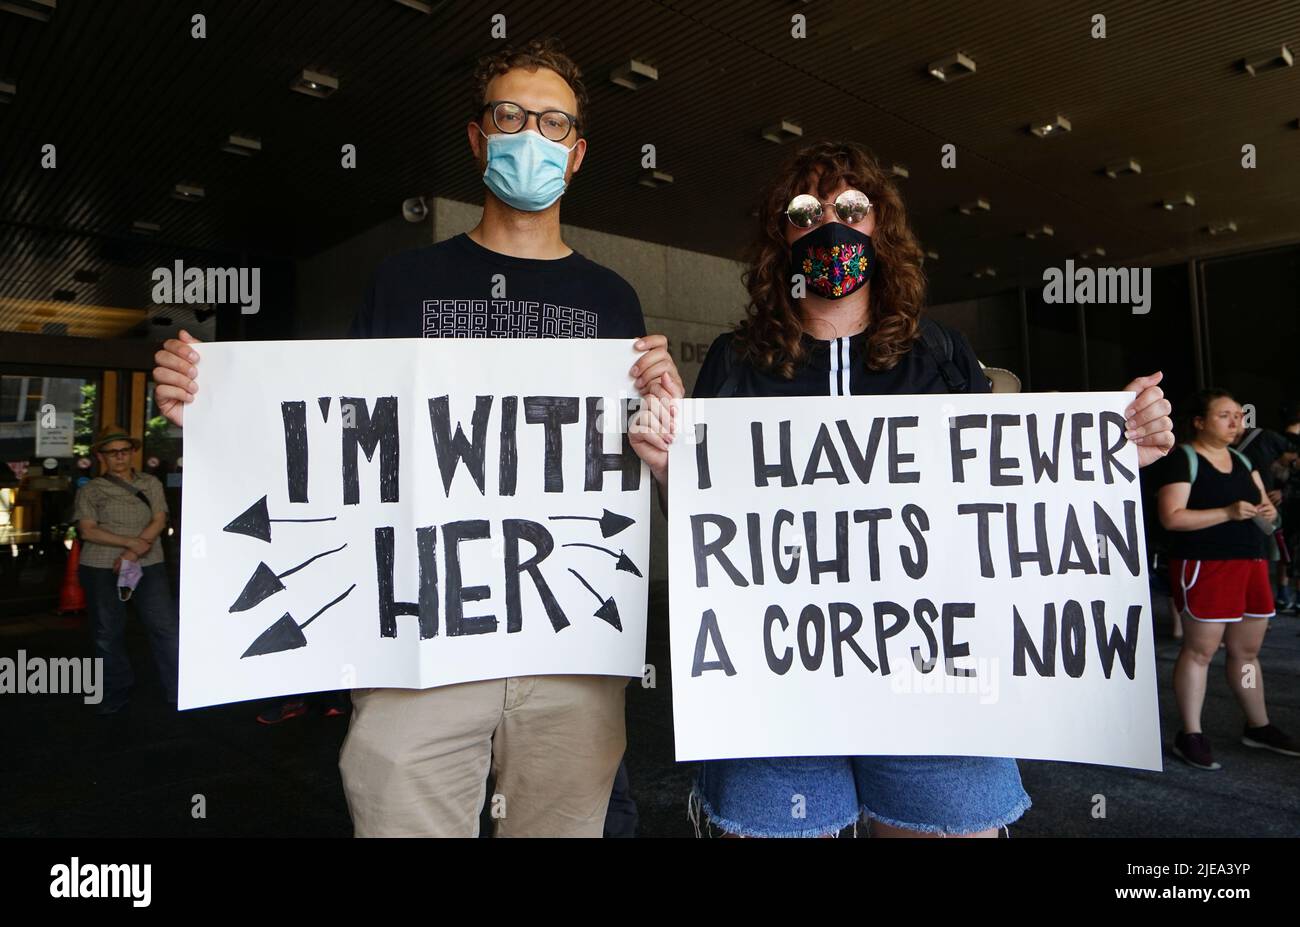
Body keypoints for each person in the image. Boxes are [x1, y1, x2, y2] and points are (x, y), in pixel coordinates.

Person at [152, 38, 681, 837]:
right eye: (510, 115)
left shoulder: (613, 299)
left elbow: (633, 463)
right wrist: (219, 415)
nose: (529, 134)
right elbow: (344, 449)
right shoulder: (405, 281)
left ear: (575, 155)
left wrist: (667, 417)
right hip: (415, 651)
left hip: (567, 652)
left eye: (552, 122)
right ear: (478, 138)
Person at [629, 140, 1175, 837]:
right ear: (780, 237)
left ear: (880, 230)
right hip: (776, 681)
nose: (830, 225)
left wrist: (1109, 454)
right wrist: (670, 470)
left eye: (851, 209)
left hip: (934, 678)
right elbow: (713, 531)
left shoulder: (940, 354)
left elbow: (1004, 505)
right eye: (806, 212)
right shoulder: (737, 363)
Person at [1157, 389, 1299, 769]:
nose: (1236, 422)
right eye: (1225, 415)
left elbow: (1268, 523)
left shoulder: (1241, 459)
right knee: (1200, 652)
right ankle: (1190, 733)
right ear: (1200, 422)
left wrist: (1269, 512)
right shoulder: (1184, 459)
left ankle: (1258, 724)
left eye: (1238, 415)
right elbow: (1172, 517)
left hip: (1250, 563)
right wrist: (1227, 511)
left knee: (1248, 654)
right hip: (1206, 565)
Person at [74, 425, 179, 715]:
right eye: (112, 452)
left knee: (165, 626)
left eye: (125, 451)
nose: (119, 457)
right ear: (101, 456)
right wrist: (128, 542)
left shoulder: (150, 483)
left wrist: (132, 551)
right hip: (101, 565)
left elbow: (159, 519)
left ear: (133, 452)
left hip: (147, 561)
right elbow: (88, 530)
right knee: (107, 631)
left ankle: (178, 687)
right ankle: (115, 690)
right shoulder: (92, 489)